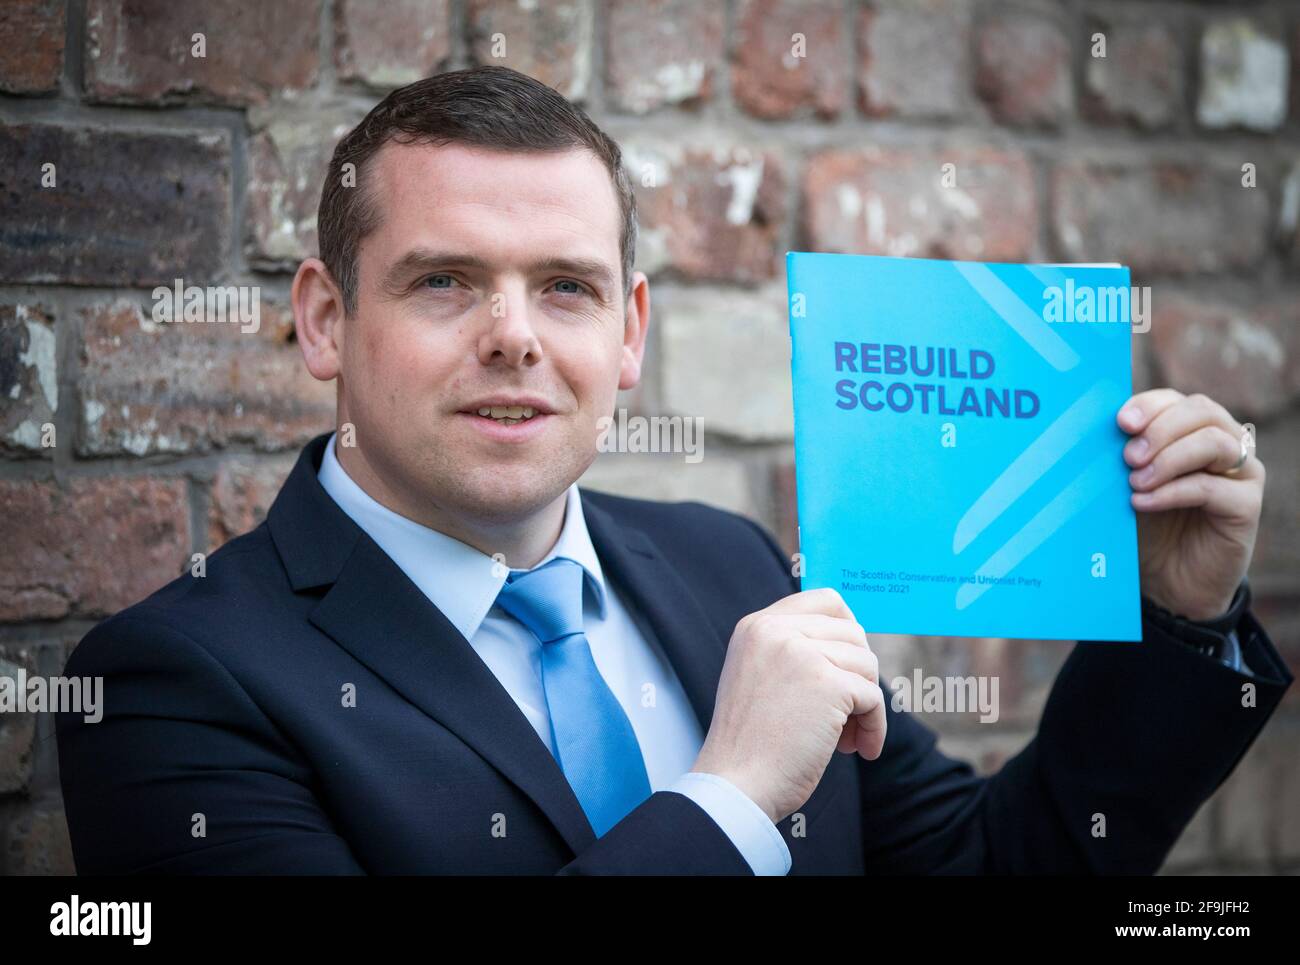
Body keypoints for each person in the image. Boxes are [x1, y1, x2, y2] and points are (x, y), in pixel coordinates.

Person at [56, 66, 1290, 875]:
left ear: (630, 331)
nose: (515, 335)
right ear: (324, 320)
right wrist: (730, 795)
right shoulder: (174, 681)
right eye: (444, 281)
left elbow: (994, 867)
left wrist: (1176, 618)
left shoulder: (730, 565)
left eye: (566, 286)